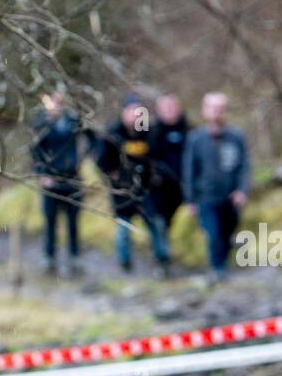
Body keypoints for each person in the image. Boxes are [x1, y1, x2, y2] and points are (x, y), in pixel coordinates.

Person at [95, 94, 171, 275]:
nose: (136, 116)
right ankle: (124, 263)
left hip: (145, 188)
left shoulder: (147, 132)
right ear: (124, 112)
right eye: (132, 112)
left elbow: (156, 155)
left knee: (155, 223)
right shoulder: (113, 133)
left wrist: (153, 174)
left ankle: (162, 259)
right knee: (123, 228)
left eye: (139, 112)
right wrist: (113, 177)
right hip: (121, 191)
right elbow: (101, 161)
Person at [183, 92, 250, 281]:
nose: (217, 113)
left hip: (230, 197)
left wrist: (242, 190)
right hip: (205, 197)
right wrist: (190, 199)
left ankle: (223, 259)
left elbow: (244, 166)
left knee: (227, 230)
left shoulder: (236, 137)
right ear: (205, 111)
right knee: (213, 234)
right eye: (213, 108)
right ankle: (218, 269)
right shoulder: (196, 139)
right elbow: (189, 170)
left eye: (220, 109)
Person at [30, 88, 92, 276]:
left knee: (73, 222)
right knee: (50, 221)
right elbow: (35, 152)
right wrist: (41, 174)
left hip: (72, 178)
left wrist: (84, 159)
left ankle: (74, 257)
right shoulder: (41, 124)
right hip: (50, 179)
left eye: (59, 101)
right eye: (53, 101)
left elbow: (89, 134)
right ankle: (49, 258)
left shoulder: (72, 120)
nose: (56, 105)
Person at [149, 93, 189, 230]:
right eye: (165, 107)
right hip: (160, 189)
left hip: (185, 185)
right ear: (158, 110)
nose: (169, 110)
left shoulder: (190, 131)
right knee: (161, 221)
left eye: (172, 106)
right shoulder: (151, 132)